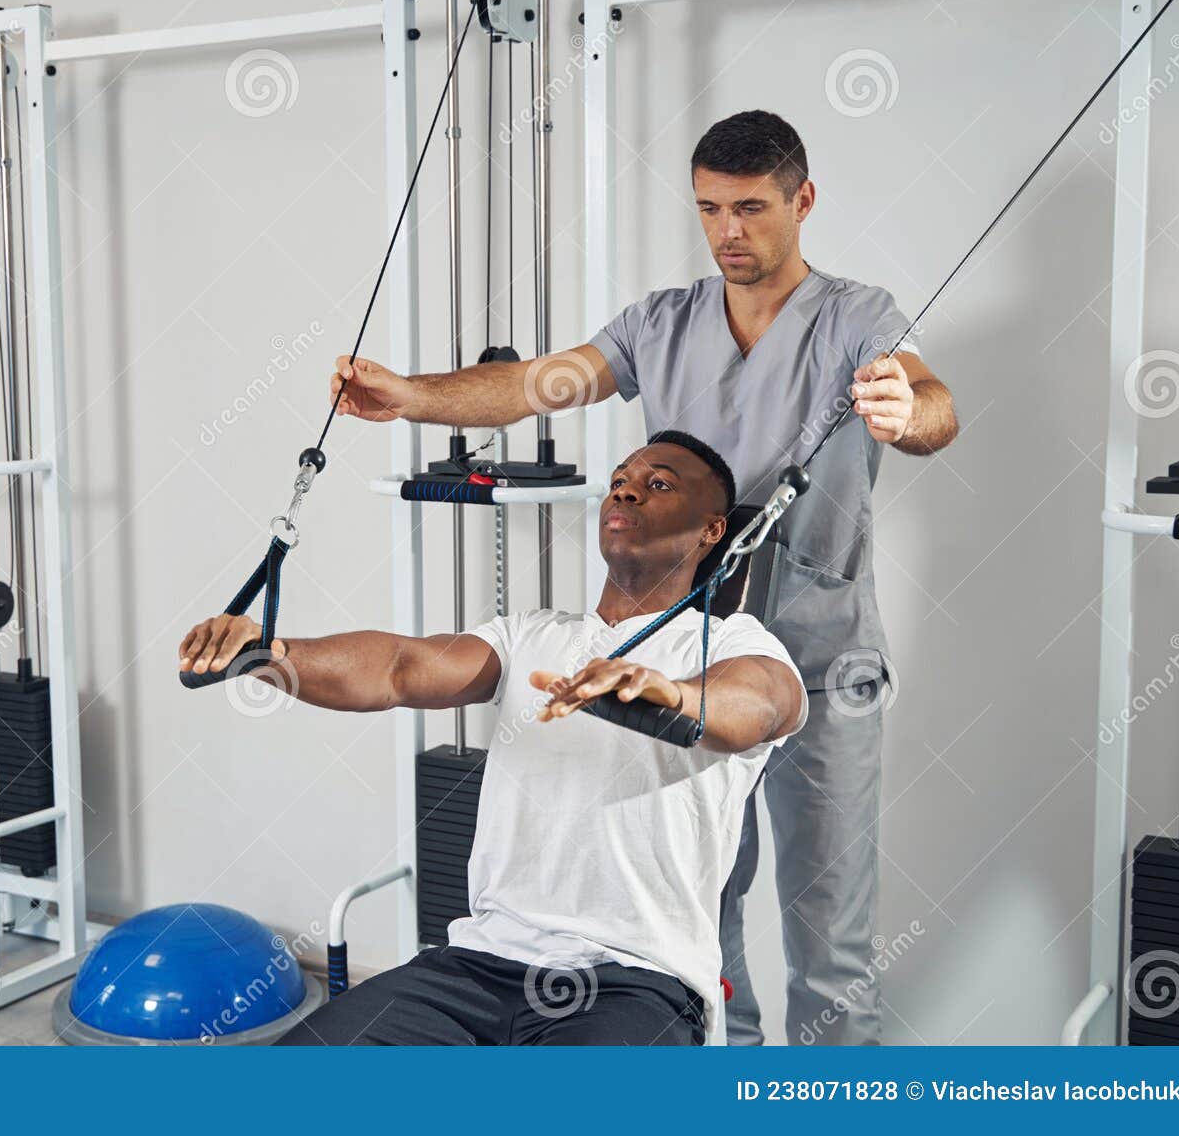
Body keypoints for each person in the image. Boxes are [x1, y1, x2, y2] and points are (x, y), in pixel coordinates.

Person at [326, 110, 959, 1044]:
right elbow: (542, 382)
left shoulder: (855, 316)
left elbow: (933, 404)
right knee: (699, 931)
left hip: (820, 670)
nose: (728, 233)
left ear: (803, 201)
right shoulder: (662, 322)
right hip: (678, 677)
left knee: (831, 942)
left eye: (750, 208)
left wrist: (907, 412)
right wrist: (415, 397)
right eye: (710, 209)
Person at [179, 433, 808, 1045]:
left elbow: (758, 705)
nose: (627, 494)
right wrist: (273, 652)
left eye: (658, 484)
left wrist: (668, 695)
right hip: (476, 965)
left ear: (712, 531)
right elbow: (399, 667)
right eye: (619, 482)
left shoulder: (730, 644)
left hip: (635, 982)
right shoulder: (532, 635)